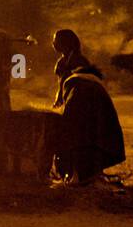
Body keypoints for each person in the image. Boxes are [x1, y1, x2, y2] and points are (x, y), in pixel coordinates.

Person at [50, 29, 125, 185]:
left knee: (80, 135)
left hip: (83, 100)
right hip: (72, 96)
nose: (54, 43)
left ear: (66, 42)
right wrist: (59, 99)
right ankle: (76, 174)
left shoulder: (79, 61)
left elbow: (81, 82)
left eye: (57, 40)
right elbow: (62, 83)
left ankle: (80, 174)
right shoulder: (62, 62)